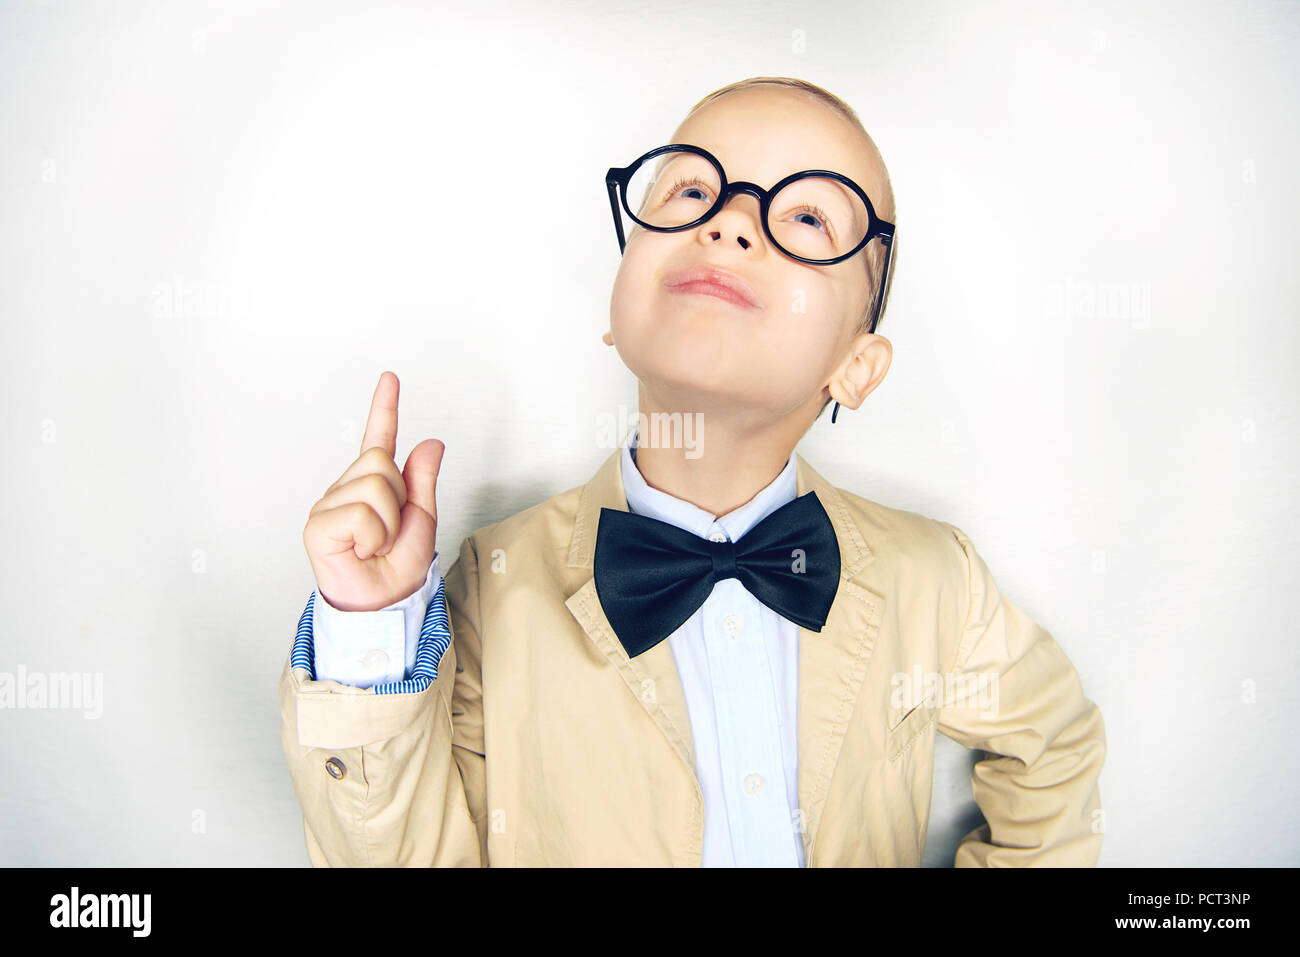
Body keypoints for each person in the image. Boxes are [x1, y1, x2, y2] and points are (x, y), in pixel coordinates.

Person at [280, 76, 1106, 867]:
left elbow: (1057, 743)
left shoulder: (936, 581)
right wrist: (367, 629)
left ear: (857, 367)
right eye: (690, 192)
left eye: (809, 215)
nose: (731, 223)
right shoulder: (492, 591)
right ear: (619, 299)